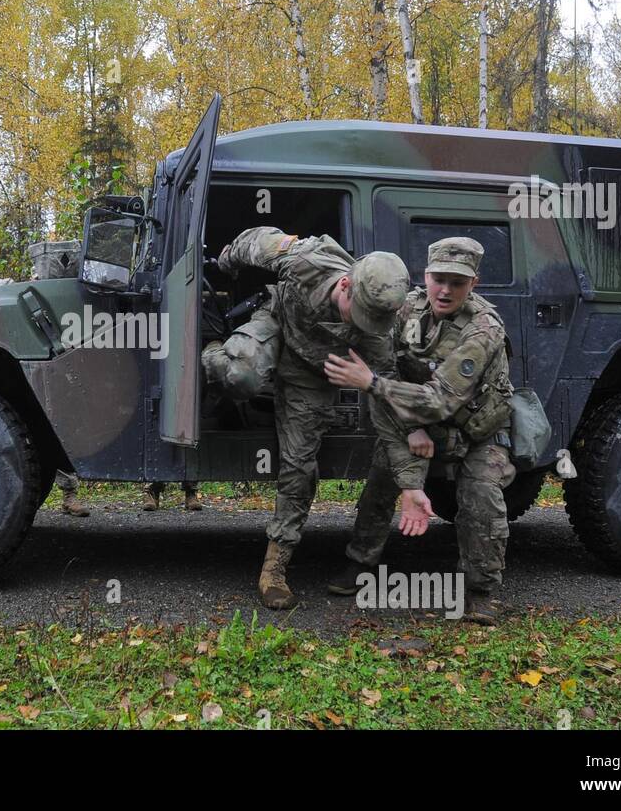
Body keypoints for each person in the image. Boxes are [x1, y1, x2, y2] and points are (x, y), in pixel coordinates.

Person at [323, 237, 515, 625]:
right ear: (426, 276)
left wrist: (372, 383)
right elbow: (385, 363)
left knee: (480, 496)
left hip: (475, 429)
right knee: (382, 476)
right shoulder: (406, 308)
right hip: (420, 420)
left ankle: (481, 590)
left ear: (472, 284)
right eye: (439, 279)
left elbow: (439, 398)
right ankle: (359, 564)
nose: (445, 290)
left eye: (457, 283)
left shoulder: (483, 329)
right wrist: (412, 428)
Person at [216, 226, 410, 609]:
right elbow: (253, 240)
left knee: (300, 466)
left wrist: (406, 460)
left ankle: (274, 567)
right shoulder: (306, 261)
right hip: (278, 320)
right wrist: (226, 265)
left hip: (313, 373)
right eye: (358, 314)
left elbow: (387, 395)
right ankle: (213, 352)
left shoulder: (378, 331)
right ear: (344, 285)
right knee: (239, 373)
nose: (361, 324)